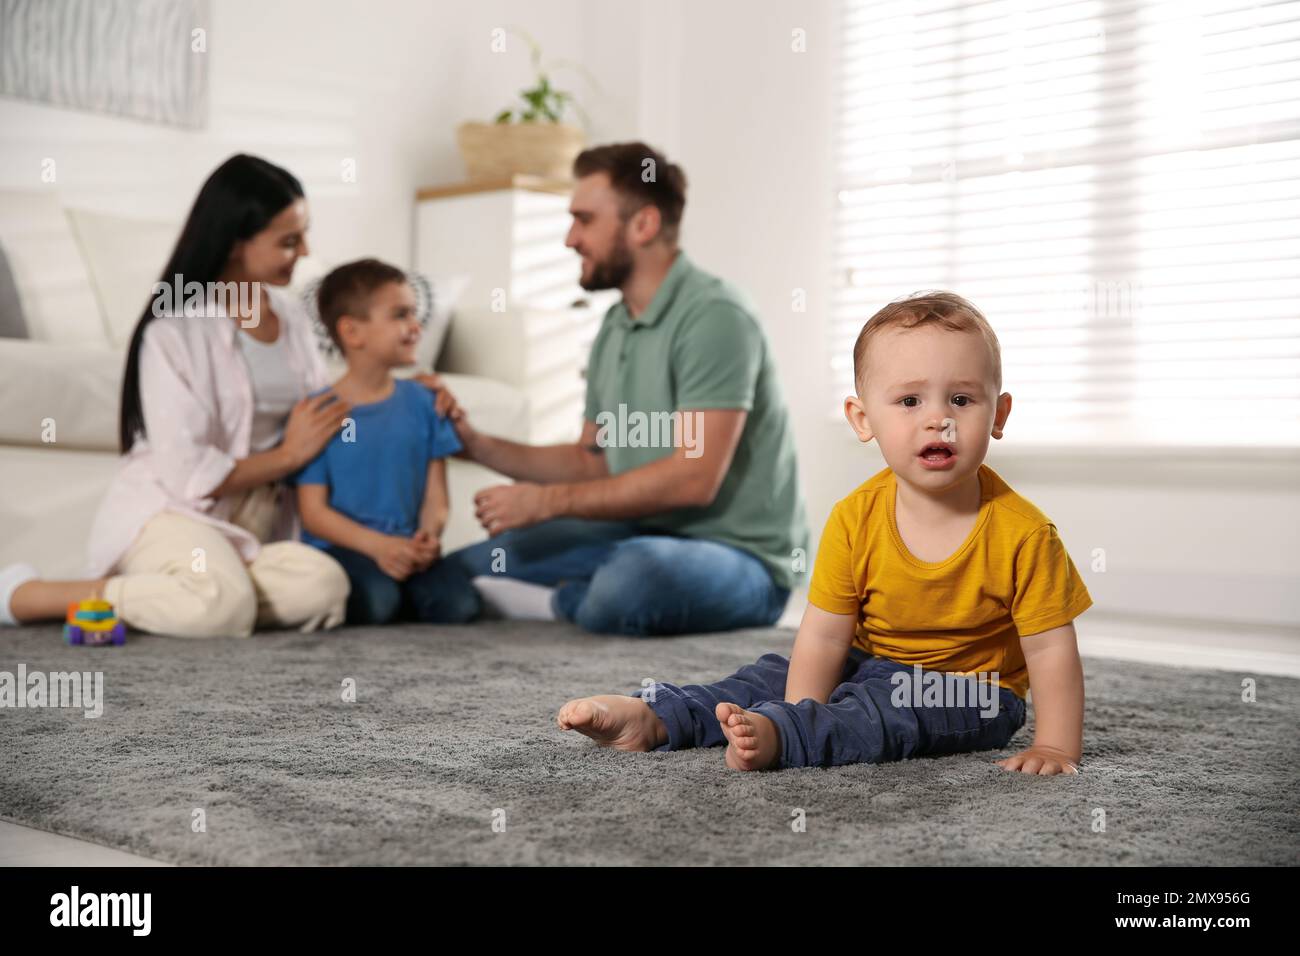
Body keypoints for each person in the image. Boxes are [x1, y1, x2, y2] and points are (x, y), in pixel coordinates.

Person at [557, 292, 1093, 775]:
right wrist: (797, 702)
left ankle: (786, 739)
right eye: (910, 402)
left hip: (973, 691)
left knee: (884, 715)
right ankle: (657, 716)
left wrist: (1056, 746)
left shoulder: (1024, 534)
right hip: (868, 661)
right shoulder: (854, 518)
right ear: (863, 420)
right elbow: (826, 635)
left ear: (998, 413)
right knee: (768, 675)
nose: (938, 420)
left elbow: (1050, 653)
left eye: (961, 400)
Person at [0, 155, 451, 637]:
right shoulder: (173, 331)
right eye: (288, 240)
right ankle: (36, 595)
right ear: (237, 242)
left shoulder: (293, 320)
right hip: (178, 512)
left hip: (256, 521)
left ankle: (191, 592)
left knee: (324, 585)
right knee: (221, 604)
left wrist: (411, 391)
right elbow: (188, 472)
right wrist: (288, 456)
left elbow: (330, 406)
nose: (304, 251)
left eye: (303, 235)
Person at [427, 141, 809, 636]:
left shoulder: (715, 316)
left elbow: (695, 478)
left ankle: (564, 598)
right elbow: (592, 460)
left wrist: (547, 504)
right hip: (635, 532)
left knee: (632, 578)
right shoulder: (614, 326)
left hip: (741, 557)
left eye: (584, 220)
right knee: (457, 572)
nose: (569, 239)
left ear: (643, 225)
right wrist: (475, 443)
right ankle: (575, 588)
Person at [292, 259, 478, 625]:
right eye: (400, 315)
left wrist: (426, 538)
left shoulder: (426, 402)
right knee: (379, 602)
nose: (415, 327)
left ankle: (405, 584)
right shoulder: (318, 413)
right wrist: (379, 547)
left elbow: (435, 498)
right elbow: (313, 514)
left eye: (415, 315)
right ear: (353, 332)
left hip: (407, 544)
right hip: (344, 549)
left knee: (460, 605)